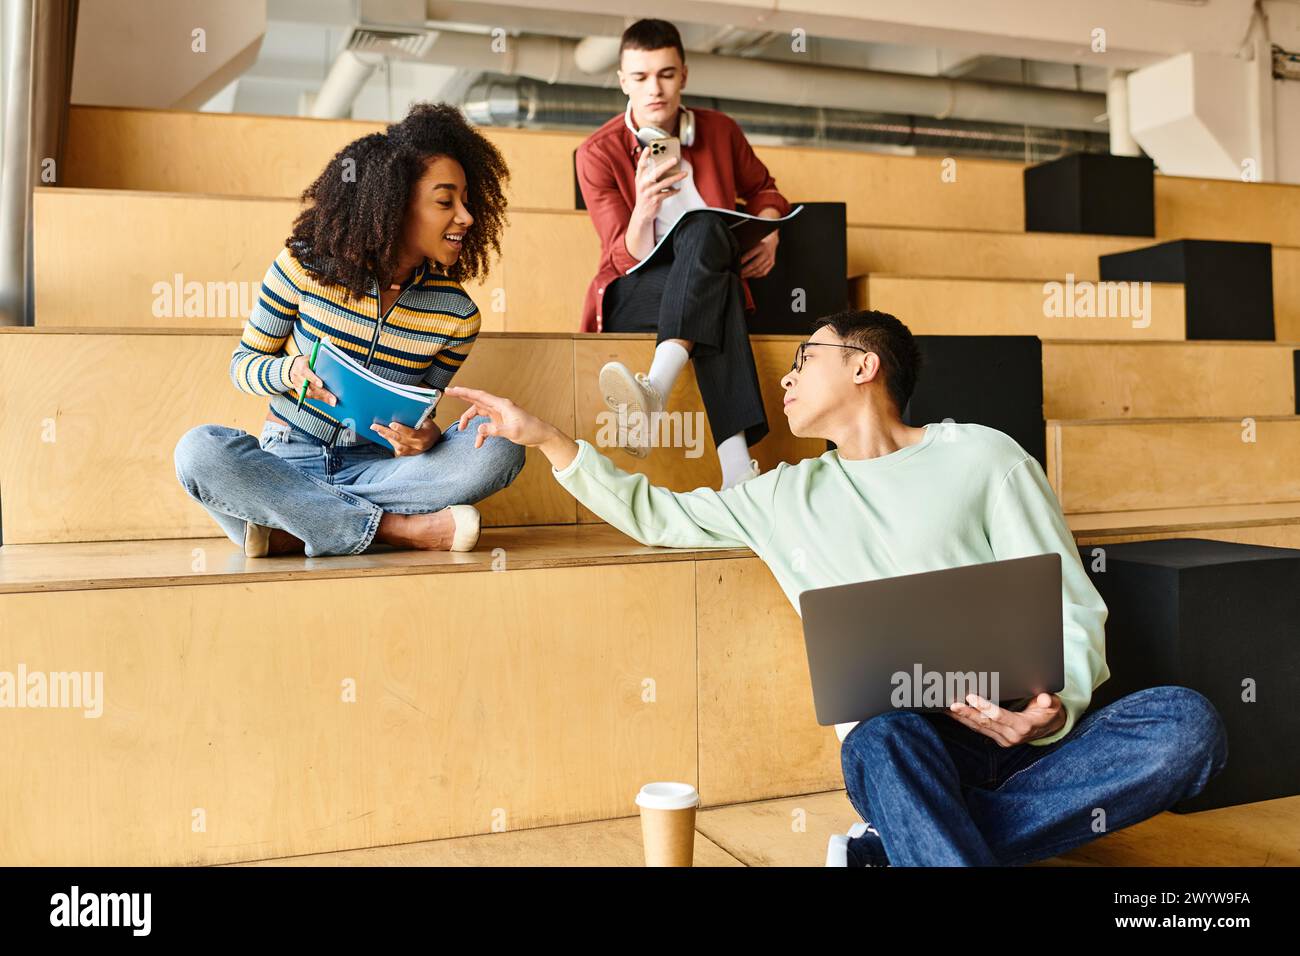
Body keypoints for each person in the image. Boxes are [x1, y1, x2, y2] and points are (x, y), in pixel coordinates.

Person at [440, 307, 1229, 867]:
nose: (785, 380)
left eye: (804, 359)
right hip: (908, 749)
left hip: (1035, 742)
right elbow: (657, 516)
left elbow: (1068, 601)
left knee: (1186, 724)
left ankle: (901, 851)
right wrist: (546, 438)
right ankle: (923, 838)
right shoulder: (784, 496)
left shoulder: (985, 457)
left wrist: (1051, 707)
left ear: (863, 364)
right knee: (880, 736)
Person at [173, 102, 526, 558]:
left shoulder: (457, 315)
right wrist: (289, 372)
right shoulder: (304, 266)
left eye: (466, 202)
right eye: (445, 202)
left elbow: (423, 414)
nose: (466, 217)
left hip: (377, 471)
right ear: (396, 204)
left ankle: (295, 528)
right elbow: (243, 366)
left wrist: (424, 438)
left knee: (502, 447)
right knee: (199, 452)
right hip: (286, 462)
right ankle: (400, 531)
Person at [576, 18, 792, 489]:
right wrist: (644, 209)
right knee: (711, 252)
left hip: (704, 281)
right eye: (640, 77)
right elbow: (622, 259)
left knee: (710, 249)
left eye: (666, 74)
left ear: (684, 75)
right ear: (622, 81)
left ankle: (662, 395)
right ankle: (736, 466)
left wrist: (771, 232)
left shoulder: (721, 131)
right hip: (633, 291)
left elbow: (765, 191)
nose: (654, 89)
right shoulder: (596, 153)